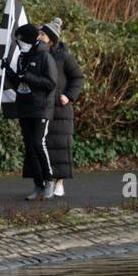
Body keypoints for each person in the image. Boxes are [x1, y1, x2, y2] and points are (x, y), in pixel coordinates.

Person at [7, 22, 59, 200]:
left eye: (22, 41)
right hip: (25, 107)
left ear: (30, 40)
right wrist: (10, 73)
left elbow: (50, 83)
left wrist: (27, 77)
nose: (19, 44)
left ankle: (49, 180)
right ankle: (38, 184)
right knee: (29, 147)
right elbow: (19, 83)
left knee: (38, 143)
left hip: (41, 107)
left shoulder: (45, 57)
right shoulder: (22, 57)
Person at [38, 19, 84, 197]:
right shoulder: (39, 54)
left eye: (42, 34)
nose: (39, 37)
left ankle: (60, 182)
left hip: (61, 107)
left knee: (61, 146)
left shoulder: (64, 57)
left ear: (51, 39)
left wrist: (68, 96)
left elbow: (78, 77)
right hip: (43, 107)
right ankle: (46, 180)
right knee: (45, 145)